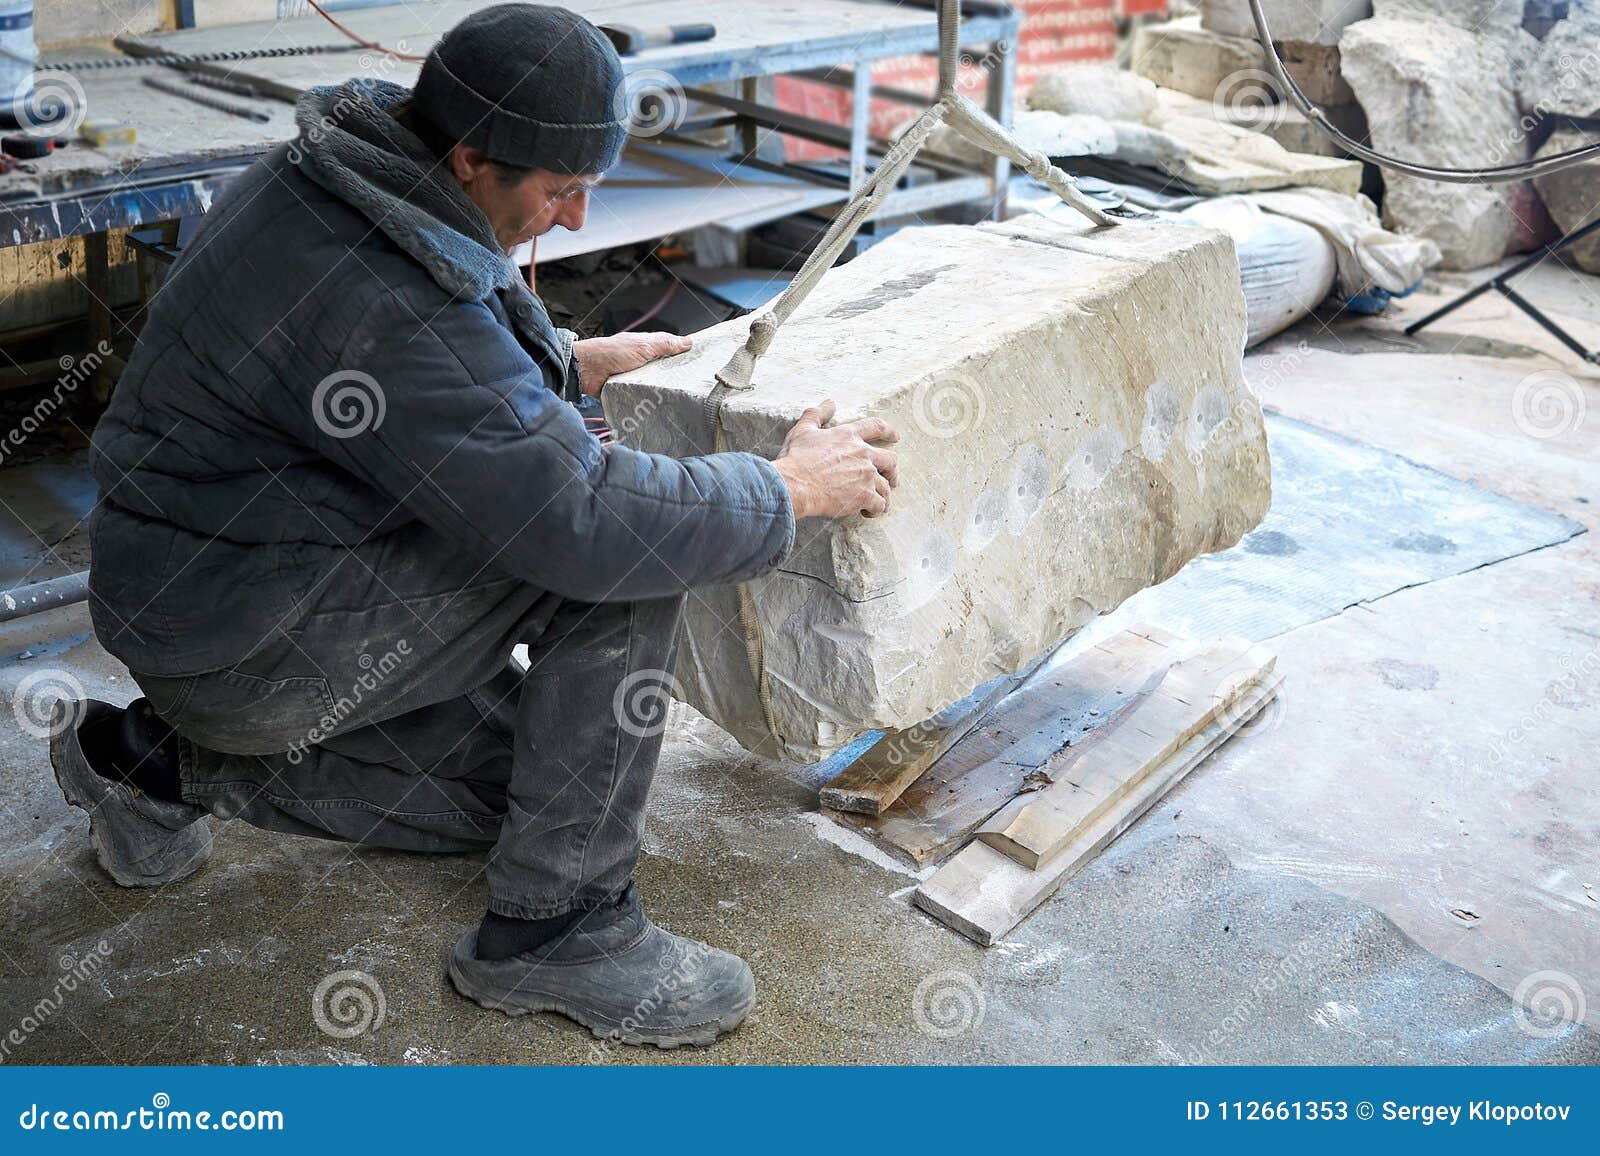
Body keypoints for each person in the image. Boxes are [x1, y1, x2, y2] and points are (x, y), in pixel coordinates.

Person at [51, 4, 897, 1048]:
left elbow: (413, 368)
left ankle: (150, 759)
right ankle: (559, 930)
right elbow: (584, 523)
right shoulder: (387, 294)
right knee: (635, 549)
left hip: (213, 583)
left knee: (530, 795)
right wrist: (789, 489)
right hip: (248, 630)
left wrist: (568, 361)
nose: (579, 220)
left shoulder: (331, 174)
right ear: (467, 160)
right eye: (557, 191)